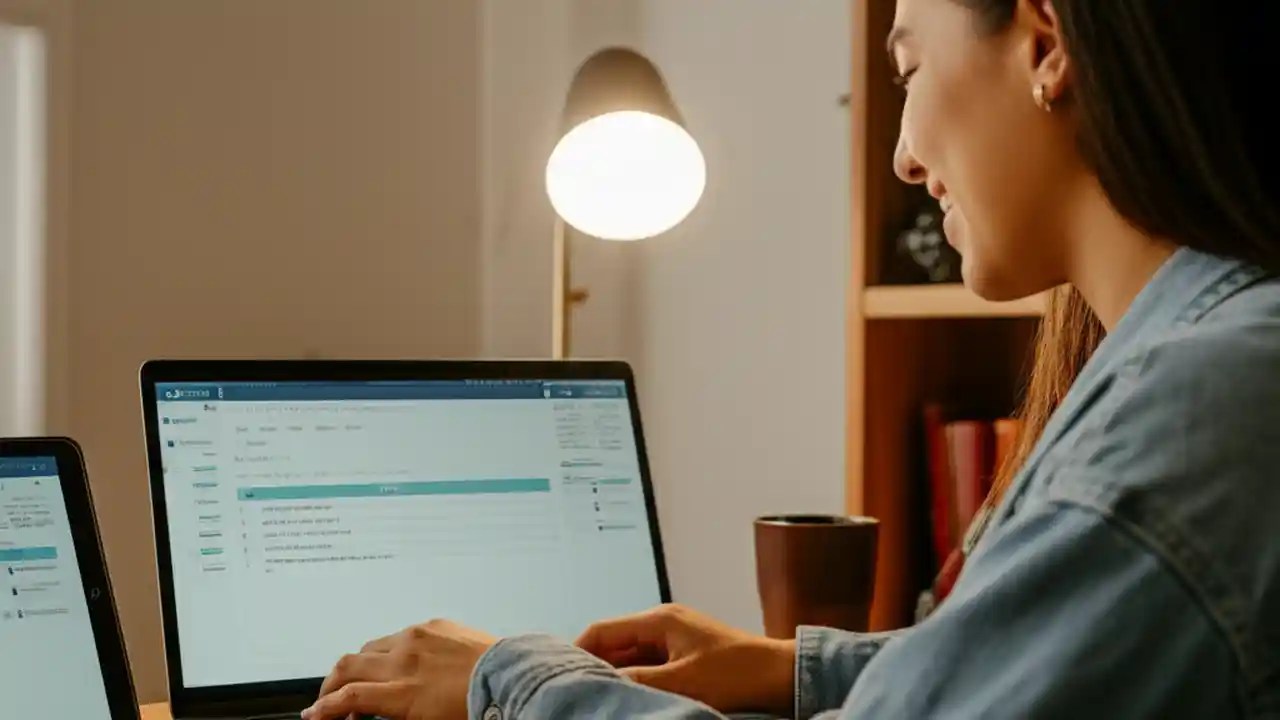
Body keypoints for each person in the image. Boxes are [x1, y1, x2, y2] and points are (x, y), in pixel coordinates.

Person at [303, 0, 1280, 717]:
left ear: (1043, 40)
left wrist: (506, 679)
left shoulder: (1192, 415)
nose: (899, 153)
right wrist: (792, 669)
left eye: (906, 69)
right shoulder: (1213, 368)